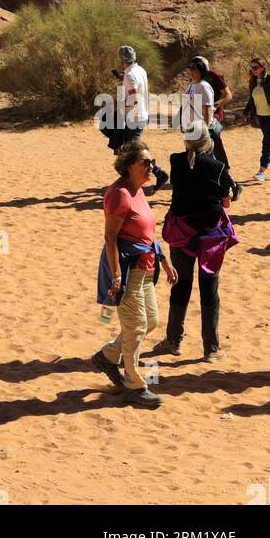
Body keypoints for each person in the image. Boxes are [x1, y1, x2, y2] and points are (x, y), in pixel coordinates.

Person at [93, 141, 177, 408]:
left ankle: (107, 356)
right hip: (128, 272)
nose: (152, 166)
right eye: (146, 162)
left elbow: (146, 234)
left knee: (149, 320)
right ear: (130, 165)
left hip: (146, 268)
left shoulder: (138, 190)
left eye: (152, 162)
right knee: (136, 326)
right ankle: (133, 385)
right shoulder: (119, 195)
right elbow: (110, 238)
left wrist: (164, 260)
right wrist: (116, 276)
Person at [151, 121, 239, 362]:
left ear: (186, 140)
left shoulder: (175, 161)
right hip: (210, 236)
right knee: (209, 290)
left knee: (181, 285)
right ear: (207, 141)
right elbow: (227, 202)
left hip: (181, 233)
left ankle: (174, 340)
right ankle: (211, 348)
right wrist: (230, 191)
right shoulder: (217, 167)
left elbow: (191, 171)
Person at [113, 45, 169, 191]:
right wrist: (123, 77)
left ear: (121, 60)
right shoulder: (139, 70)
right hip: (139, 115)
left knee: (133, 153)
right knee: (133, 151)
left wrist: (117, 105)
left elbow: (134, 98)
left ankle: (158, 173)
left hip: (134, 117)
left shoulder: (130, 75)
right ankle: (157, 173)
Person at [189, 54, 234, 174]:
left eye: (196, 67)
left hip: (213, 114)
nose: (192, 70)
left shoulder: (214, 75)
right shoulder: (195, 79)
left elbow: (228, 95)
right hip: (199, 115)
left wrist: (217, 104)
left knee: (214, 142)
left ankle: (225, 170)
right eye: (192, 67)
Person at [244, 56, 270, 182]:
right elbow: (252, 99)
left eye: (256, 67)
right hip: (261, 118)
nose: (253, 70)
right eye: (252, 68)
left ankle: (261, 171)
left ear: (263, 67)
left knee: (267, 143)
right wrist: (246, 112)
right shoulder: (253, 81)